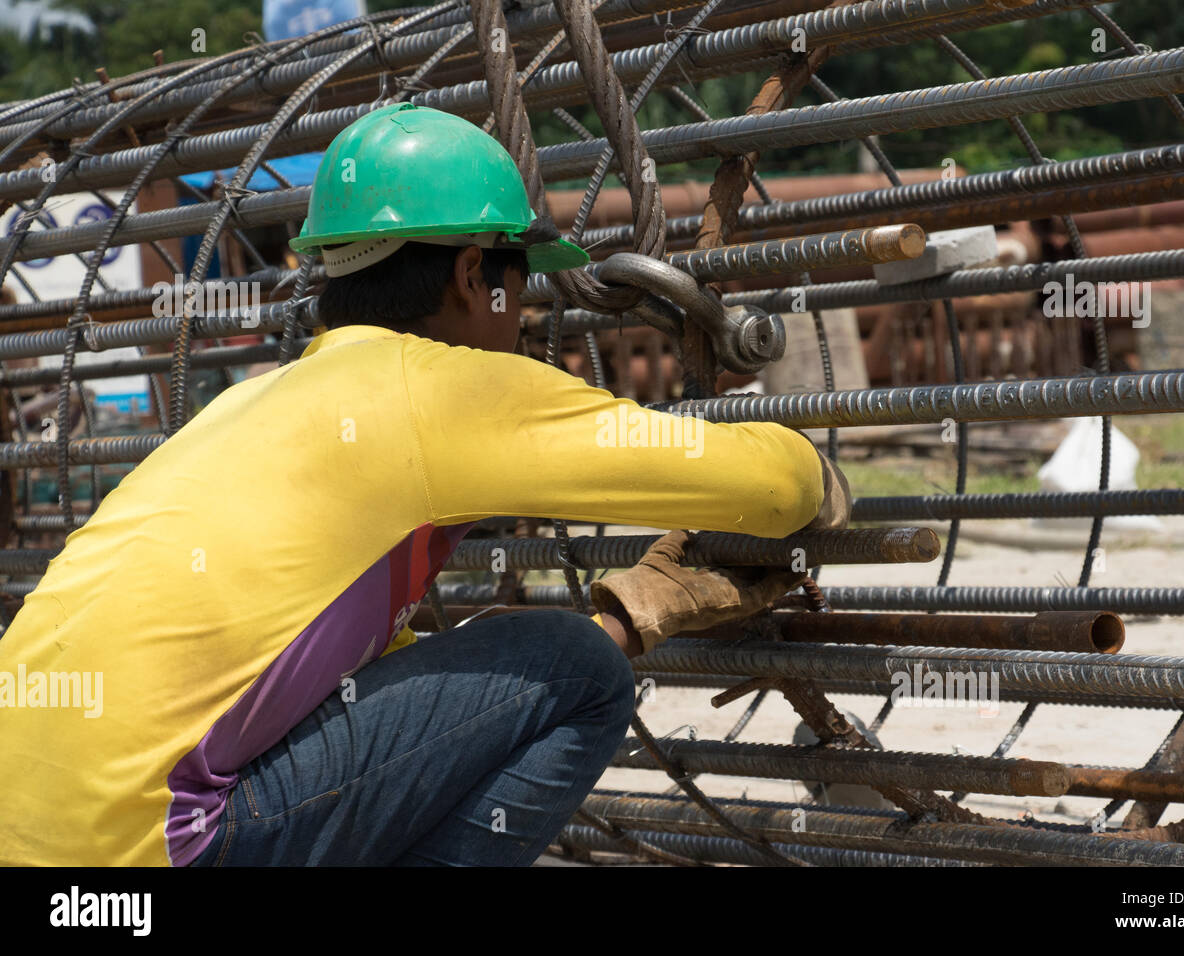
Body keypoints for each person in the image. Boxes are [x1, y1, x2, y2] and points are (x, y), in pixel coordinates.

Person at [0, 103, 849, 866]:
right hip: (151, 854)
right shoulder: (443, 386)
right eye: (517, 286)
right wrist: (821, 477)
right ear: (474, 275)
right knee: (576, 665)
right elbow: (775, 488)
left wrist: (628, 612)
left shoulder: (252, 407)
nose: (518, 320)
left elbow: (325, 678)